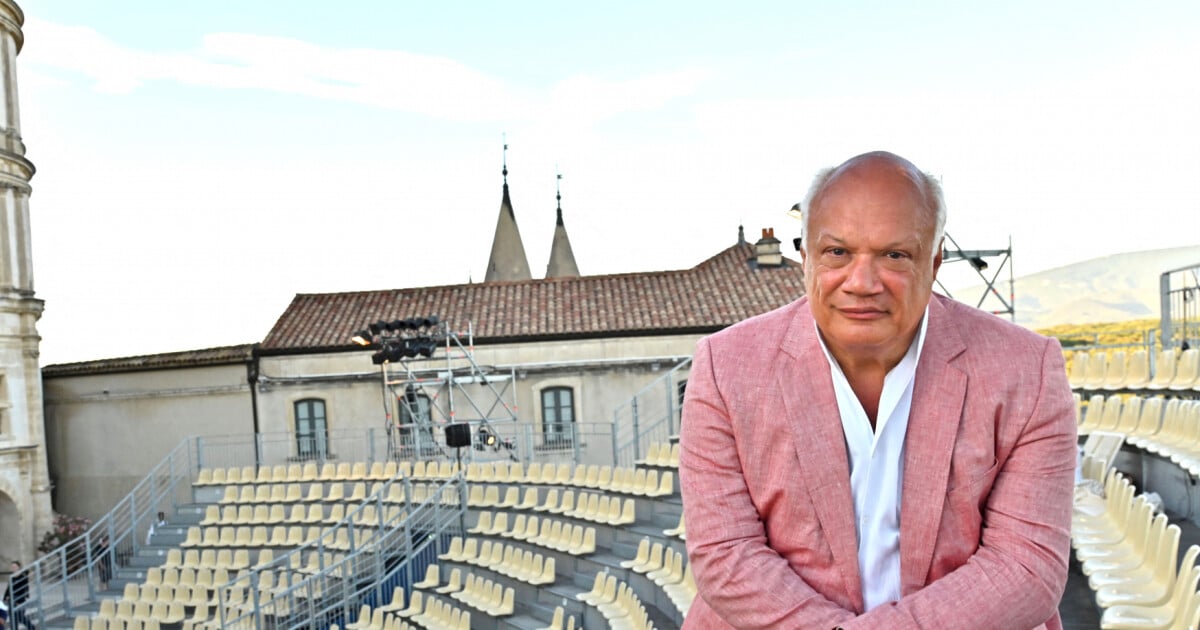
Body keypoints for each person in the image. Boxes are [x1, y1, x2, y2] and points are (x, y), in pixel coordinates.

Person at [679, 151, 1076, 629]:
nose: (862, 283)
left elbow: (1026, 566)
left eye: (894, 255)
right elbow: (725, 554)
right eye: (837, 253)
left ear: (933, 263)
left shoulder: (1026, 370)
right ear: (805, 259)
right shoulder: (725, 367)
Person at [4, 561, 29, 630]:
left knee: (20, 617)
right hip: (11, 599)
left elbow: (24, 589)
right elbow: (9, 588)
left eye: (14, 567)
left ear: (19, 567)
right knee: (12, 617)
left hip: (19, 599)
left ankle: (31, 627)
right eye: (12, 567)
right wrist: (5, 597)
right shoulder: (12, 577)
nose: (13, 568)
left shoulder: (23, 577)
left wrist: (19, 601)